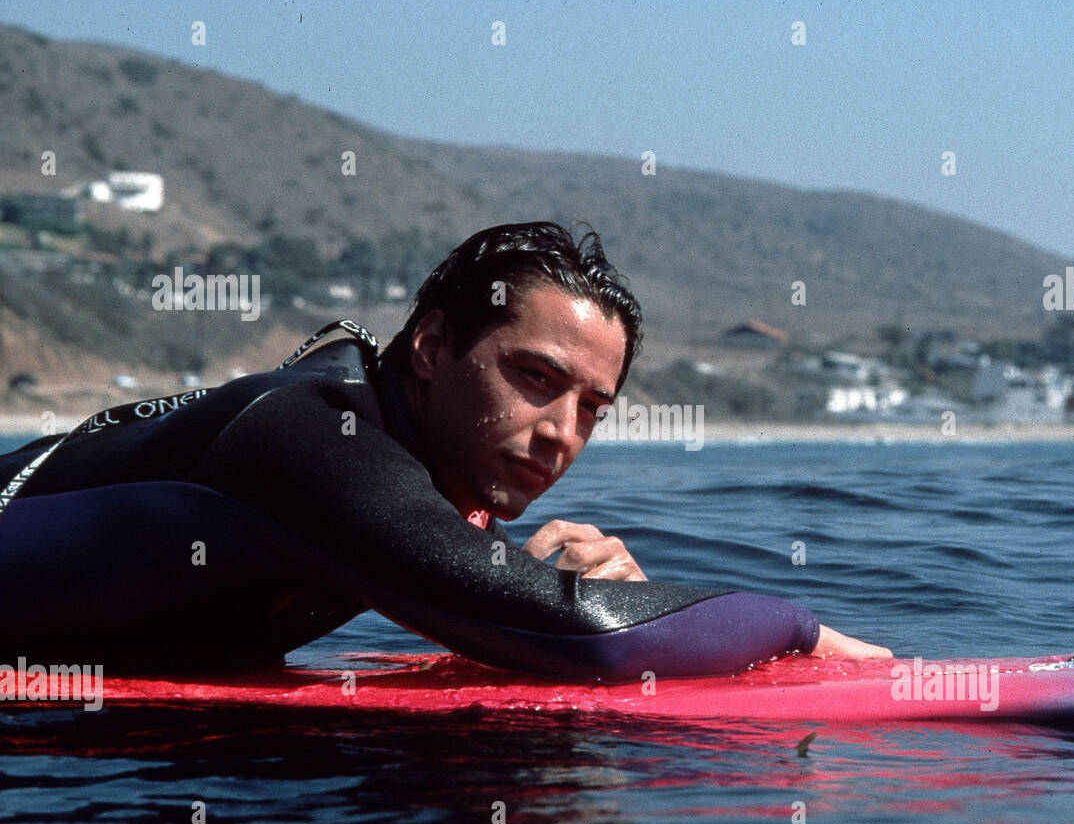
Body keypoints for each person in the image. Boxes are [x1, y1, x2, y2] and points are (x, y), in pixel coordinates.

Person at [0, 222, 890, 679]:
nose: (561, 435)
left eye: (593, 408)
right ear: (429, 347)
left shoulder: (403, 465)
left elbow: (546, 616)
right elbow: (596, 643)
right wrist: (796, 627)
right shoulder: (315, 438)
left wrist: (549, 592)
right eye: (535, 378)